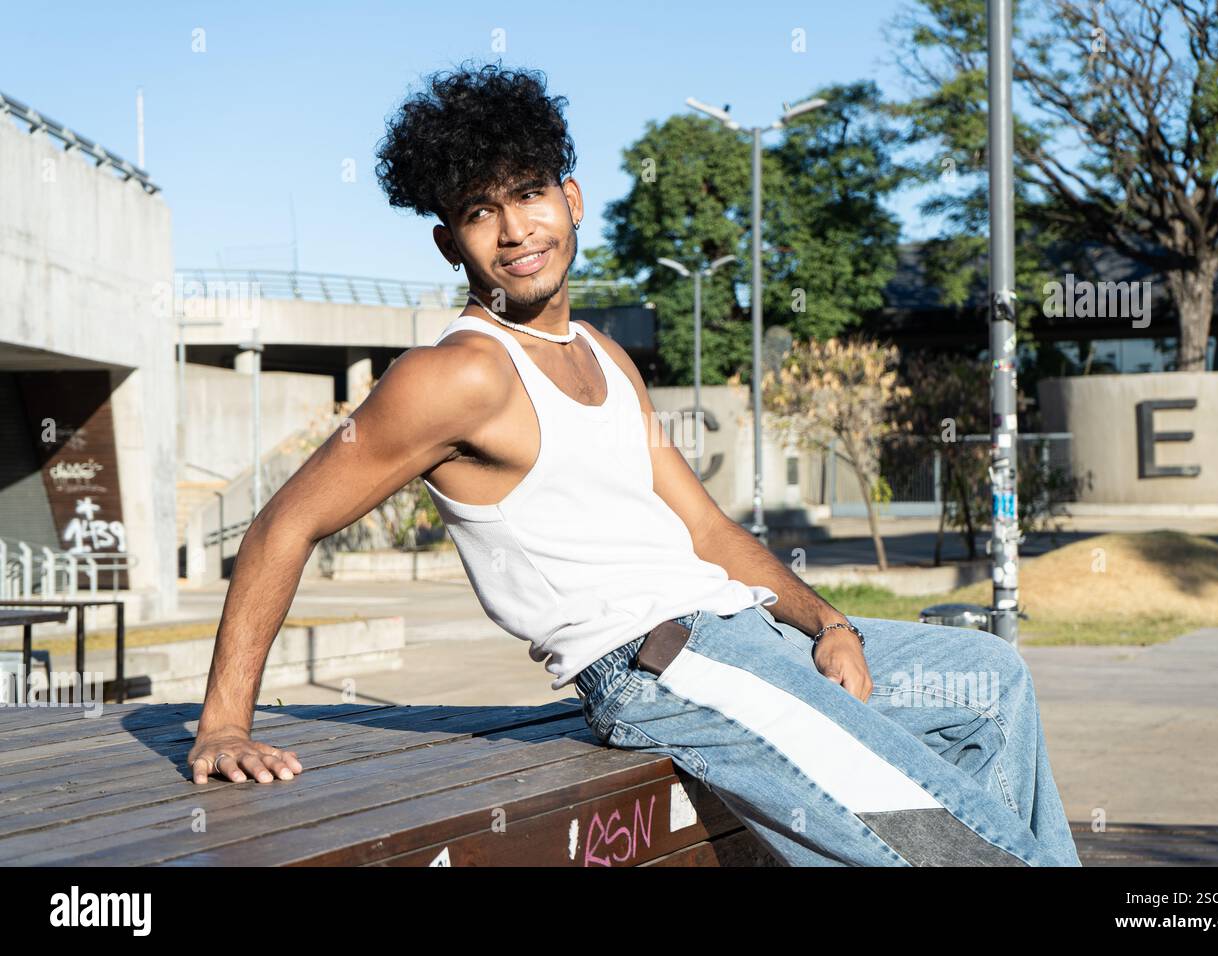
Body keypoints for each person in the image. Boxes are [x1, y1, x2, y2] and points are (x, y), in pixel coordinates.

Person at [187, 59, 1081, 867]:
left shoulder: (605, 358)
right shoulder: (456, 374)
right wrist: (225, 721)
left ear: (572, 198)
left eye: (529, 194)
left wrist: (828, 622)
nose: (513, 231)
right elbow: (285, 521)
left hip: (745, 636)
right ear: (447, 241)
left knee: (991, 684)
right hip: (666, 665)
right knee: (950, 843)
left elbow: (705, 528)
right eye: (478, 210)